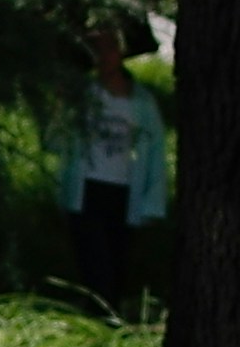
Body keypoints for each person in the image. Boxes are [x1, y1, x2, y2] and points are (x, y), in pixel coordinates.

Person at [52, 23, 168, 312]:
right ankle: (97, 315)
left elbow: (155, 153)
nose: (103, 56)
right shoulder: (83, 96)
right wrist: (59, 106)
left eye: (109, 48)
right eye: (96, 49)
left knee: (118, 261)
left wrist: (152, 203)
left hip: (123, 190)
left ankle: (110, 316)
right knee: (93, 262)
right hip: (87, 188)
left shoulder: (141, 102)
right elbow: (54, 142)